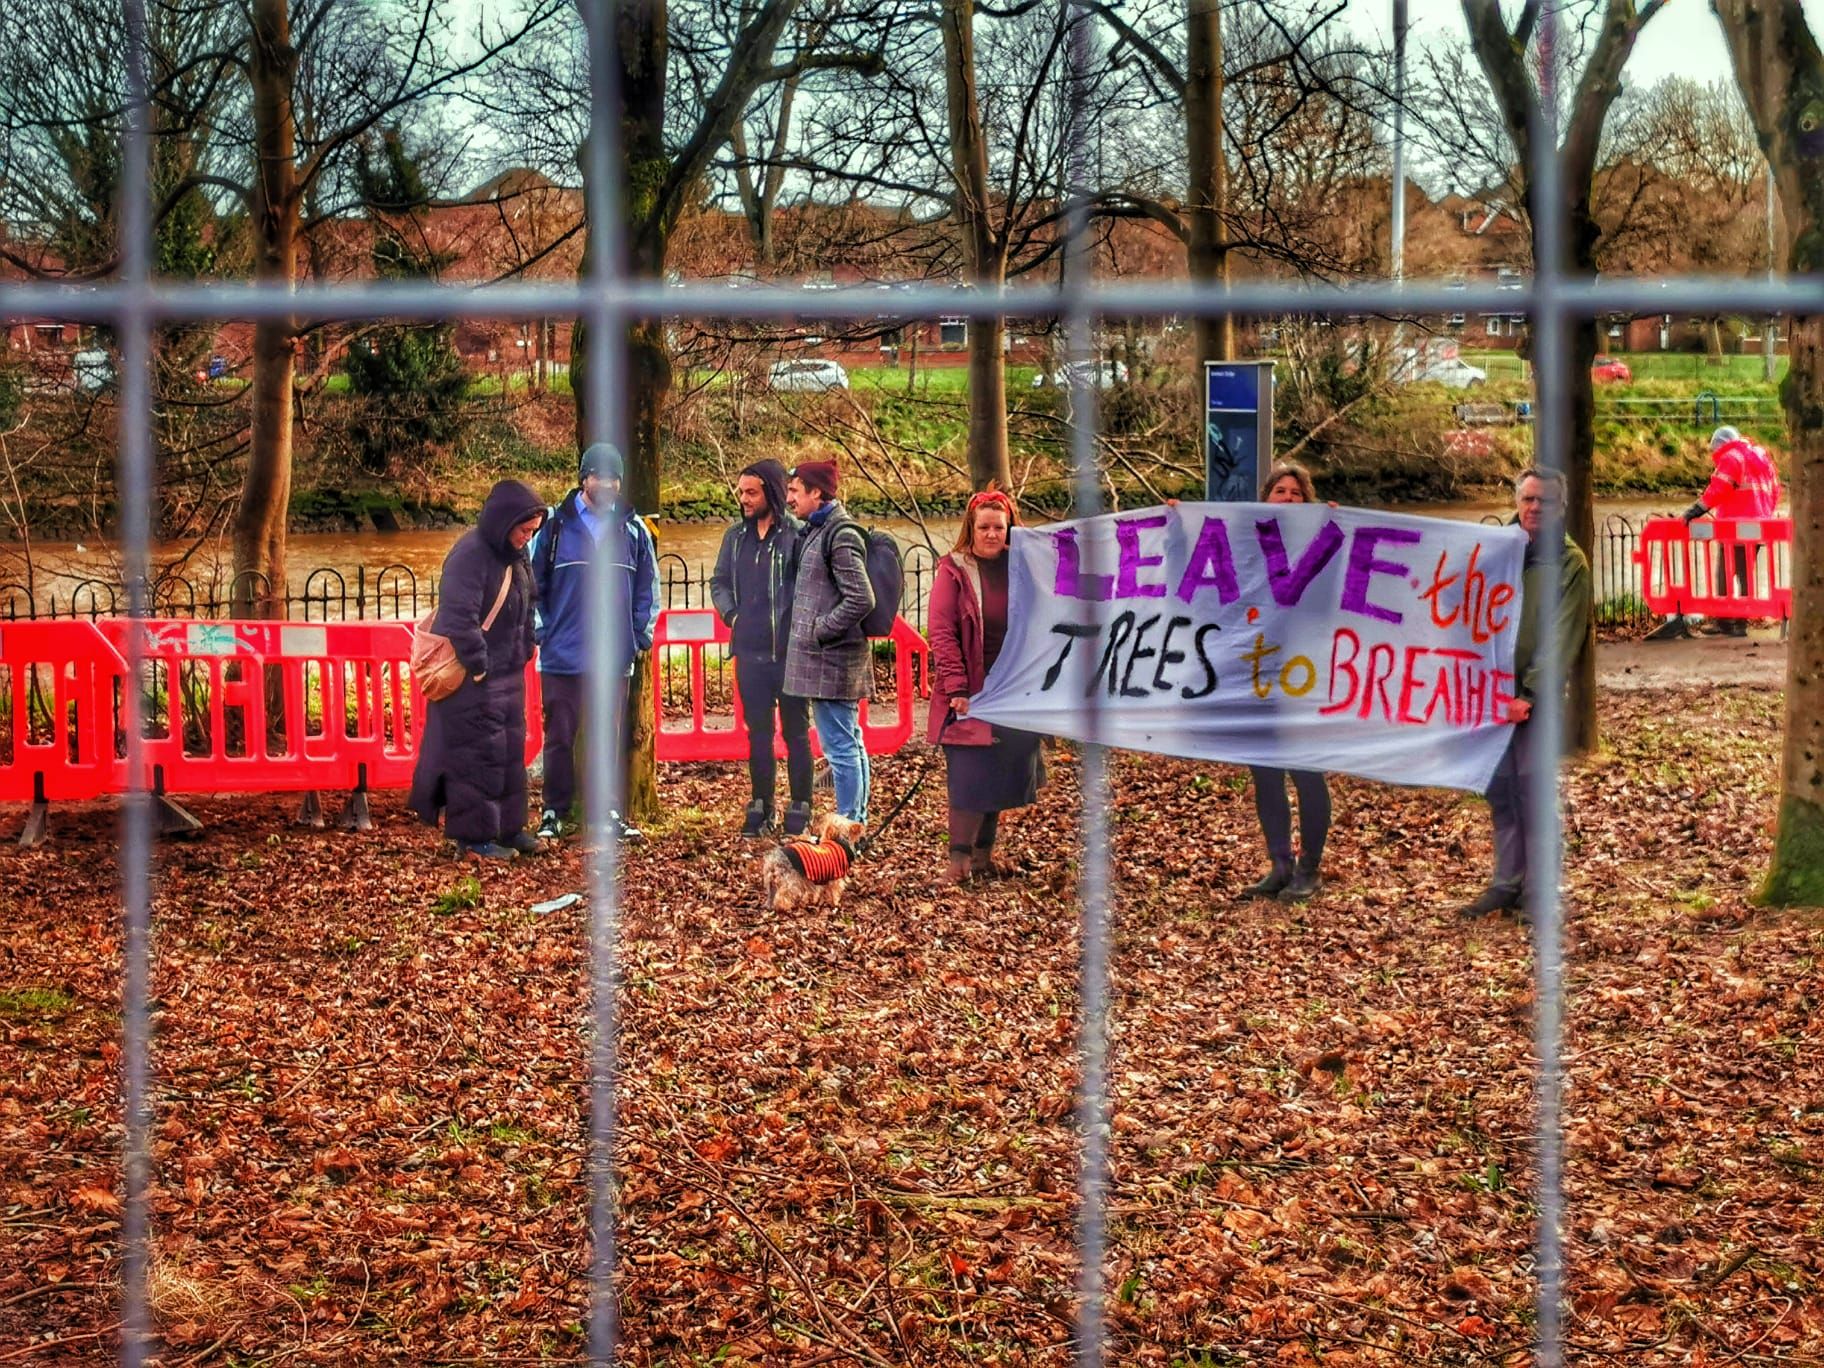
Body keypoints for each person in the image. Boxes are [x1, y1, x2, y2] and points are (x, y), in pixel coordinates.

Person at [1460, 467, 1593, 918]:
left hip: (1532, 700)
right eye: (1528, 499)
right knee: (1499, 790)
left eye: (1546, 502)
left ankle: (1540, 887)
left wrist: (1531, 692)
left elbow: (1562, 635)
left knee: (1532, 789)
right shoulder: (1496, 551)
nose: (1535, 508)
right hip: (1490, 694)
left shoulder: (1569, 562)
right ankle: (1506, 881)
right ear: (1517, 501)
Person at [410, 479, 547, 861]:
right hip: (477, 677)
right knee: (474, 758)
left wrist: (526, 645)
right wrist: (480, 664)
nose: (527, 538)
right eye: (524, 530)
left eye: (532, 532)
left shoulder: (516, 555)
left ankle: (508, 828)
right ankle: (474, 837)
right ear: (506, 522)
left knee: (507, 753)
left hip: (508, 671)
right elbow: (459, 615)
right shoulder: (470, 554)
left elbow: (528, 601)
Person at [528, 442, 658, 842]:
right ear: (583, 478)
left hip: (613, 658)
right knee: (559, 738)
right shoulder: (553, 527)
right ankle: (554, 811)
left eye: (613, 477)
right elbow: (533, 586)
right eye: (598, 475)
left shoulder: (635, 530)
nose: (606, 483)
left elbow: (647, 590)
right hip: (561, 656)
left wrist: (638, 636)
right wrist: (542, 632)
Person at [927, 488, 1045, 884]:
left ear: (1010, 527)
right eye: (984, 527)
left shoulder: (1026, 567)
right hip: (971, 688)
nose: (992, 534)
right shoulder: (954, 569)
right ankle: (957, 863)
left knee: (1000, 772)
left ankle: (983, 858)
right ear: (971, 528)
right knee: (968, 774)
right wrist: (958, 687)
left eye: (999, 526)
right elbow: (942, 631)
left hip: (1014, 688)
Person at [1242, 462, 1333, 902]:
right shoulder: (1247, 544)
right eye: (1280, 491)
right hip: (1259, 671)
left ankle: (1309, 866)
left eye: (1297, 493)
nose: (1288, 499)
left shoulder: (1324, 544)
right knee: (1265, 772)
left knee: (1308, 772)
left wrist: (1336, 530)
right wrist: (1178, 523)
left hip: (1306, 674)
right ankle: (1279, 864)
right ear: (1267, 497)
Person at [710, 458, 814, 838]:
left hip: (789, 654)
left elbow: (811, 589)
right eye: (741, 492)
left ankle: (801, 803)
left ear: (771, 491)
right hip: (750, 655)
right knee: (757, 734)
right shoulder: (734, 537)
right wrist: (732, 616)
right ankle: (761, 804)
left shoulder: (798, 536)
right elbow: (718, 581)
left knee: (796, 733)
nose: (743, 499)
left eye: (751, 492)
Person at [782, 460, 874, 824]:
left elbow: (862, 598)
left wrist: (820, 629)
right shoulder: (818, 531)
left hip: (832, 662)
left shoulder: (840, 533)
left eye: (795, 490)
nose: (789, 498)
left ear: (816, 492)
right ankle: (855, 823)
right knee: (849, 742)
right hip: (827, 663)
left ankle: (849, 825)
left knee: (841, 749)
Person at [1681, 425, 1782, 636]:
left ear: (1720, 444)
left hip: (1733, 527)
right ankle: (1741, 623)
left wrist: (1693, 512)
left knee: (1724, 573)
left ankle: (1724, 621)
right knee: (1746, 574)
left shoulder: (1732, 457)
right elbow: (1775, 491)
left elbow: (1718, 489)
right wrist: (1765, 516)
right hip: (1759, 526)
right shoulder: (1761, 457)